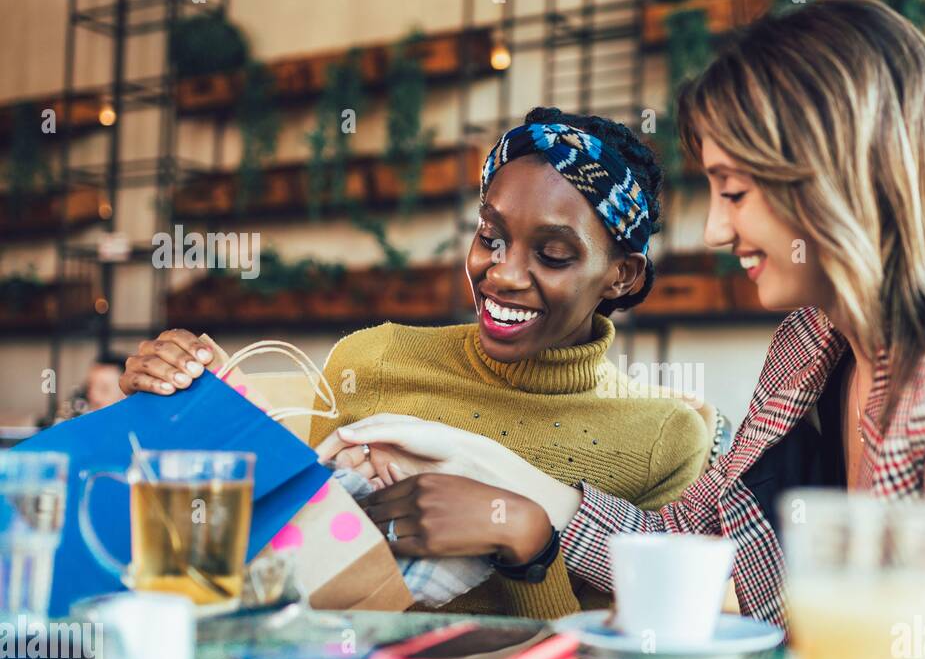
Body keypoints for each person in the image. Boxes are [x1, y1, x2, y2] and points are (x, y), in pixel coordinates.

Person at [322, 0, 925, 659]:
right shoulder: (812, 342)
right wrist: (521, 511)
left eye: (734, 192)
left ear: (830, 176)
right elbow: (702, 553)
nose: (720, 231)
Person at [119, 106, 713, 619]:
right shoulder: (373, 359)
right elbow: (299, 570)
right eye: (490, 236)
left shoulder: (663, 439)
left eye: (554, 254)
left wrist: (526, 543)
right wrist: (186, 401)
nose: (501, 273)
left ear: (622, 274)